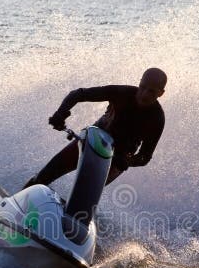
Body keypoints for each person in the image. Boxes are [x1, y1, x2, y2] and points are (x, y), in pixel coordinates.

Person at [23, 68, 167, 189]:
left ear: (161, 93)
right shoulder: (121, 93)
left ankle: (76, 218)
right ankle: (11, 208)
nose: (144, 94)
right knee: (43, 177)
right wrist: (60, 114)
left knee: (83, 197)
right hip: (91, 141)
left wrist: (127, 161)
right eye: (143, 87)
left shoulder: (157, 119)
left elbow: (145, 157)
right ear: (139, 82)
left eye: (152, 92)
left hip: (115, 159)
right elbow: (78, 94)